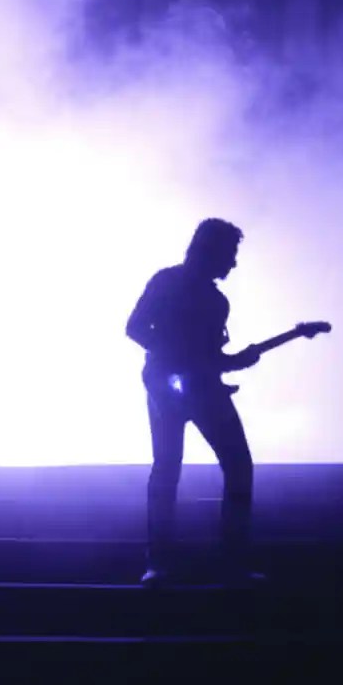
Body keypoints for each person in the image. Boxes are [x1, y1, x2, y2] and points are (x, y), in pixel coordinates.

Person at [126, 218, 264, 586]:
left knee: (238, 464)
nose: (232, 264)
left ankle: (233, 561)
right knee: (168, 466)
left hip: (202, 388)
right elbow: (135, 327)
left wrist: (237, 361)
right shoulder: (165, 281)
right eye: (229, 254)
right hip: (166, 387)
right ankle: (159, 561)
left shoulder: (219, 303)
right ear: (210, 250)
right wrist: (177, 356)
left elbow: (211, 358)